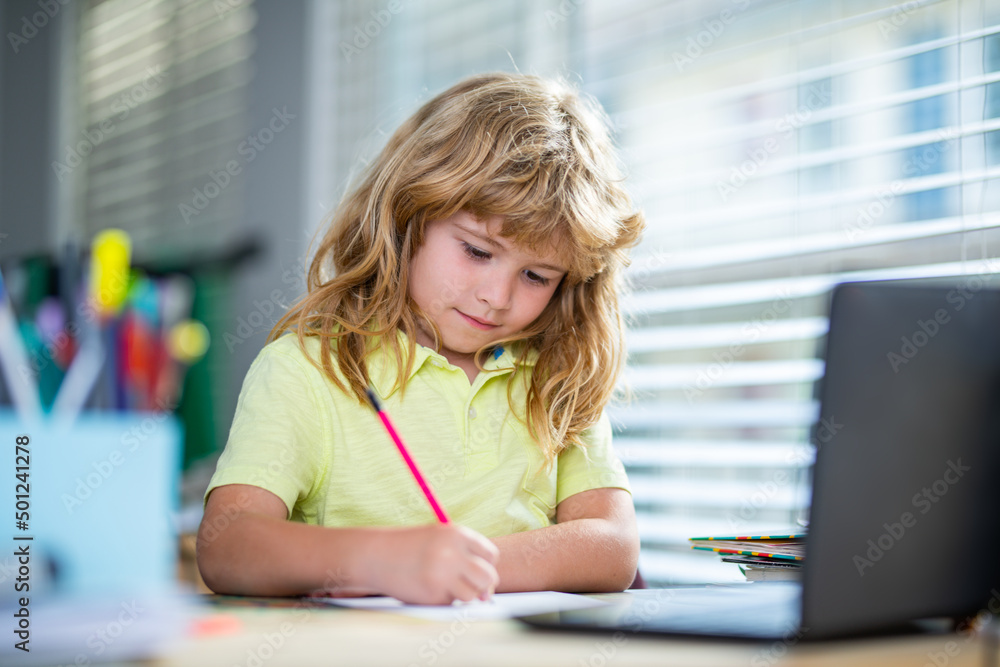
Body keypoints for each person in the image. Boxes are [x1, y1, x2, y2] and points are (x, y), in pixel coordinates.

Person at [197, 72, 645, 604]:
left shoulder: (556, 378)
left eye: (537, 276)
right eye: (477, 251)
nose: (497, 296)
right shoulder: (307, 369)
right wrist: (385, 562)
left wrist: (466, 567)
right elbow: (227, 545)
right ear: (407, 218)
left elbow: (614, 547)